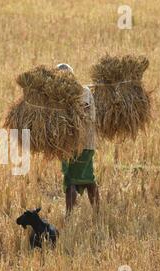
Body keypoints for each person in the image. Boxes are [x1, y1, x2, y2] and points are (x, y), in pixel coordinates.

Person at [56, 63, 99, 218]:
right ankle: (96, 213)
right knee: (86, 178)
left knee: (74, 179)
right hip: (69, 146)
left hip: (84, 144)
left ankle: (69, 216)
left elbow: (83, 115)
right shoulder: (61, 96)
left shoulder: (83, 92)